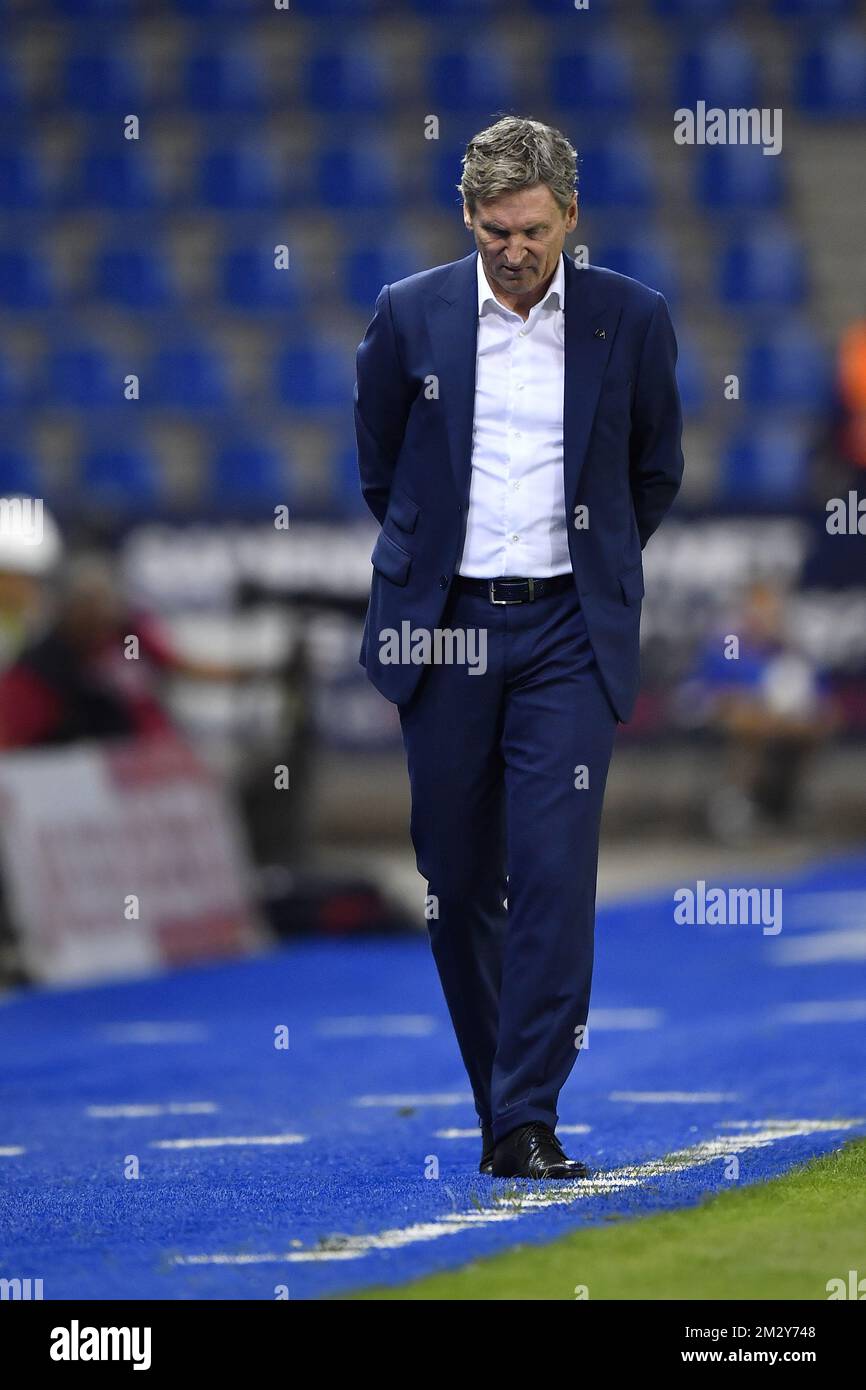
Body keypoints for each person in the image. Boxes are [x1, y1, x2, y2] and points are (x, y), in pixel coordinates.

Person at [354, 117, 683, 1179]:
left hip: (564, 632)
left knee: (551, 868)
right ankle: (504, 1100)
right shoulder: (408, 316)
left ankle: (525, 1115)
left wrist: (590, 569)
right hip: (442, 625)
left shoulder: (629, 320)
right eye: (494, 230)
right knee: (453, 877)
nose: (513, 249)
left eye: (532, 229)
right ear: (467, 217)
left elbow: (653, 472)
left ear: (569, 216)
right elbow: (380, 468)